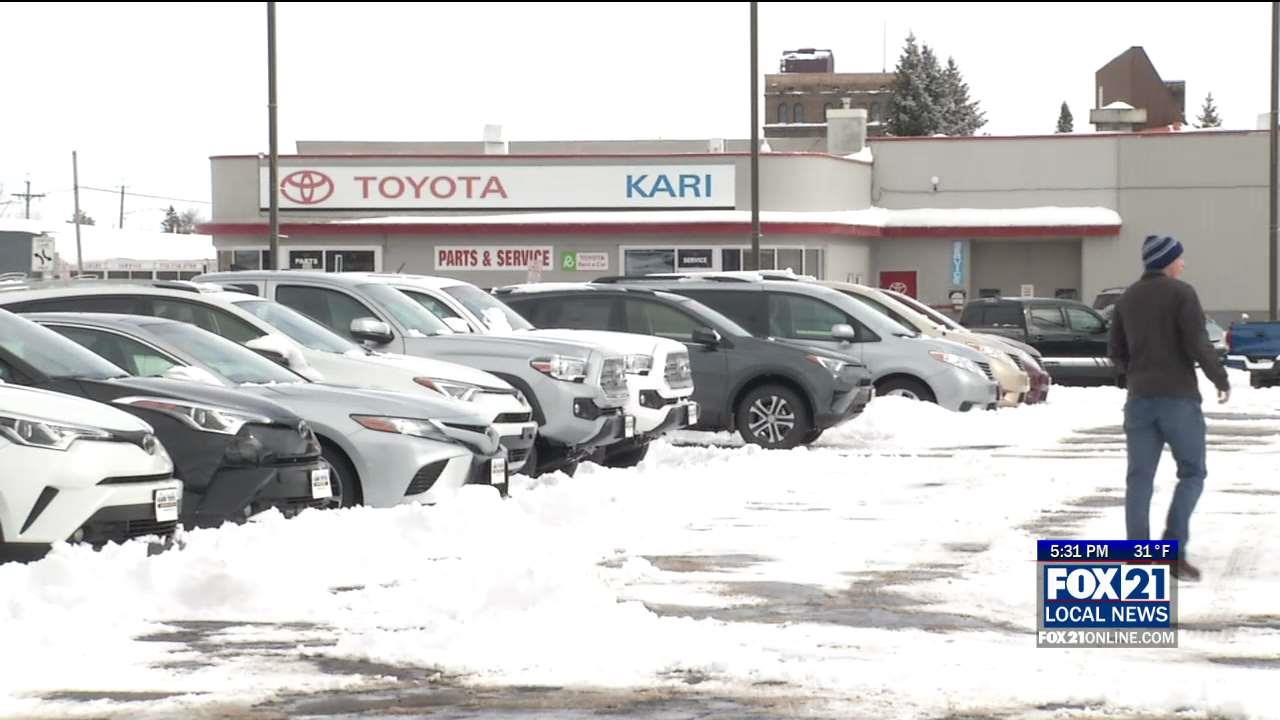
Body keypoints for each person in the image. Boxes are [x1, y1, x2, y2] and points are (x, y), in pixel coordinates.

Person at [1107, 235, 1230, 581]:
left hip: (1139, 401)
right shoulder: (1182, 293)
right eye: (1180, 258)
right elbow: (1197, 343)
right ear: (1166, 261)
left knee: (1139, 479)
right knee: (1192, 473)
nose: (1184, 263)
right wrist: (1219, 378)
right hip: (1178, 400)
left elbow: (1115, 350)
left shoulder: (1127, 299)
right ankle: (1172, 553)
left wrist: (1131, 376)